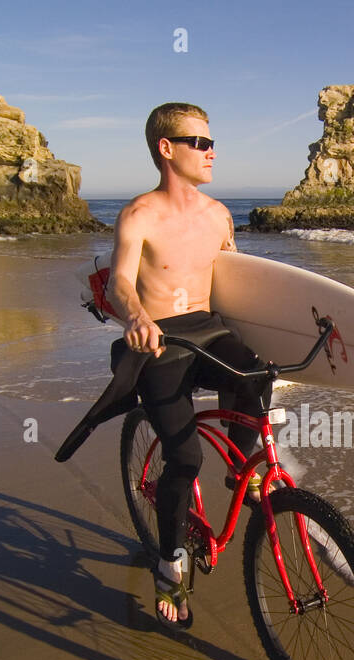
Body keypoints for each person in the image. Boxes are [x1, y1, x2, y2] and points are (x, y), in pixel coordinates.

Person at [105, 102, 270, 630]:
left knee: (257, 375)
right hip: (160, 343)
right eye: (199, 142)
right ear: (167, 149)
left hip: (210, 329)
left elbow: (237, 280)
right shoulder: (139, 215)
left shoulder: (219, 214)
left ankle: (243, 474)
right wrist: (135, 317)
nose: (211, 151)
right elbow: (119, 282)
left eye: (211, 140)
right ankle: (169, 563)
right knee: (184, 459)